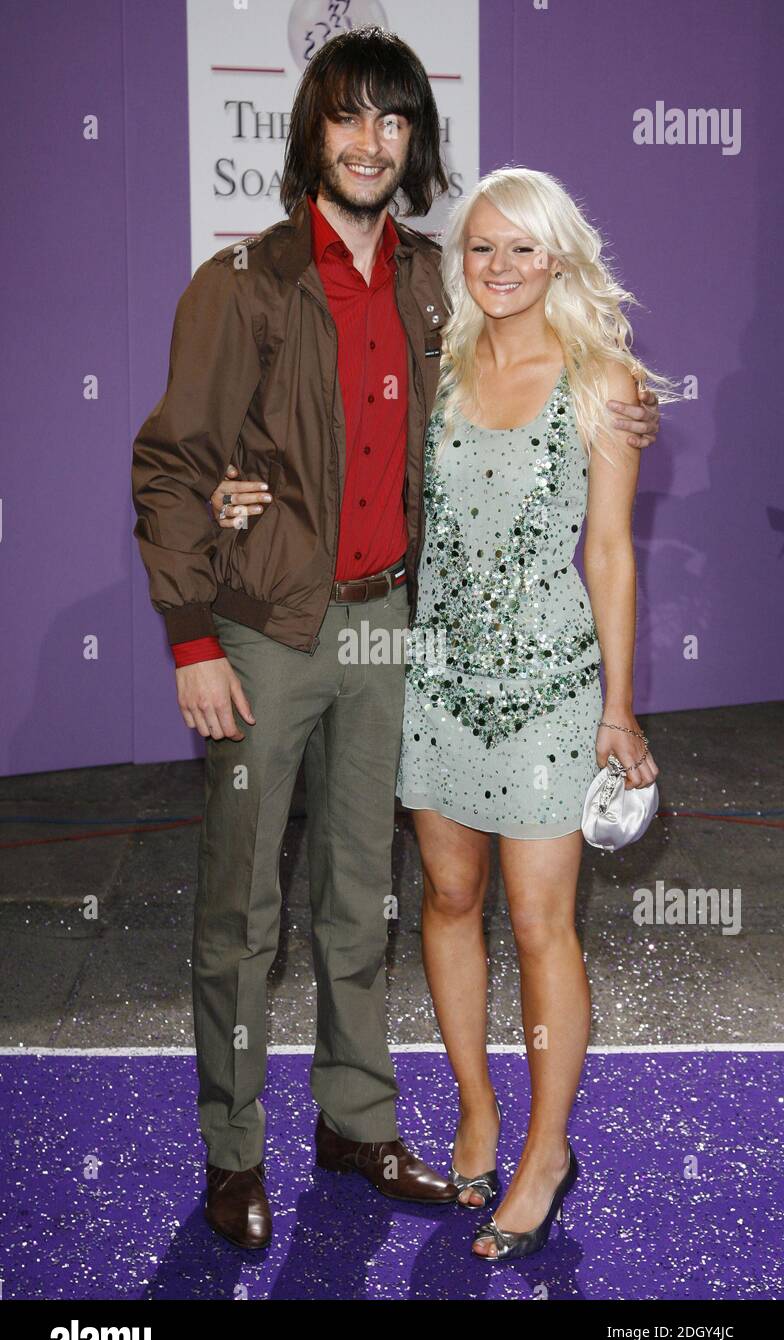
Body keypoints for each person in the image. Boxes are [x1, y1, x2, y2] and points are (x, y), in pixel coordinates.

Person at [134, 27, 661, 1252]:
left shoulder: (439, 284)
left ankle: (357, 1122)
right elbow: (172, 464)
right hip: (266, 634)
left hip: (398, 642)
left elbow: (551, 386)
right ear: (311, 134)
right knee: (241, 911)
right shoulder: (244, 281)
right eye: (346, 119)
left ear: (414, 143)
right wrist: (189, 633)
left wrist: (615, 381)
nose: (370, 143)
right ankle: (234, 1149)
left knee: (362, 903)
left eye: (393, 122)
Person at [395, 167, 675, 1260]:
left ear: (559, 256)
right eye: (480, 249)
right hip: (439, 684)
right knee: (449, 898)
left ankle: (546, 1149)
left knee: (540, 923)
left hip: (551, 691)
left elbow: (608, 551)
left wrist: (620, 705)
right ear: (458, 263)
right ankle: (475, 1107)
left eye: (522, 248)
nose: (500, 267)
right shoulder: (442, 365)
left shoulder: (604, 381)